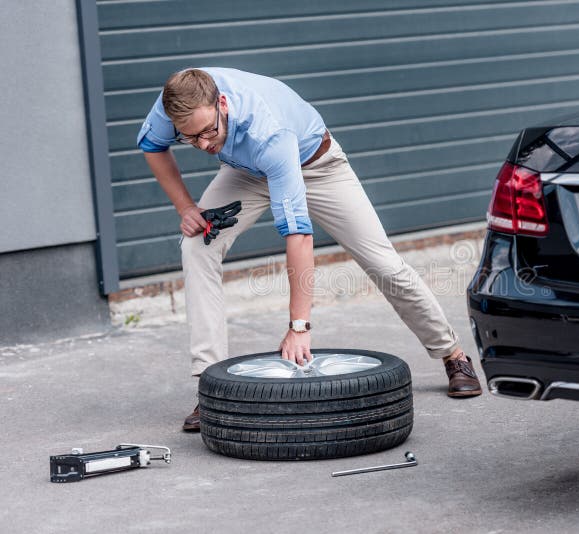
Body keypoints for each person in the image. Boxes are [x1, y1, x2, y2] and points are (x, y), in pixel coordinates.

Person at [137, 68, 482, 432]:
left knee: (383, 264)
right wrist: (186, 209)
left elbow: (298, 236)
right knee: (196, 246)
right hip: (245, 173)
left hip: (316, 166)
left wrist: (299, 326)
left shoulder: (269, 131)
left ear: (222, 103)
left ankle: (452, 354)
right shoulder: (174, 103)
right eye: (192, 138)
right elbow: (152, 146)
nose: (205, 144)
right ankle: (212, 386)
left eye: (210, 131)